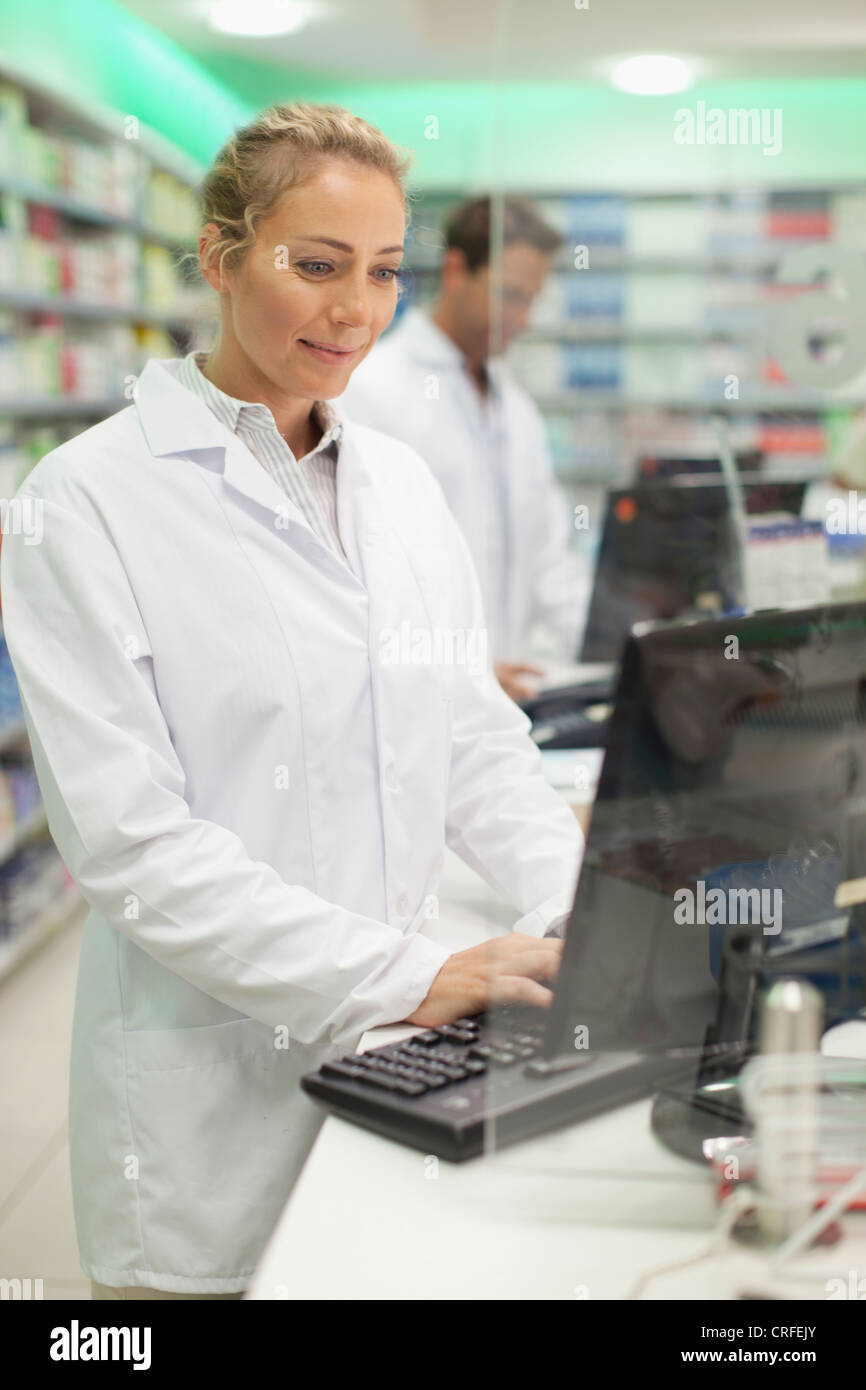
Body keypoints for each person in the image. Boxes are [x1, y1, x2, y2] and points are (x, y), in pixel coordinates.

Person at [0, 102, 582, 1299]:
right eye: (312, 265)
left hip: (413, 1062)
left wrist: (575, 913)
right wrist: (405, 974)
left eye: (380, 273)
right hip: (207, 1103)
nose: (355, 311)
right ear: (218, 256)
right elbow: (132, 848)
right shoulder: (86, 500)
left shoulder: (401, 486)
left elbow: (471, 738)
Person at [340, 195, 592, 702]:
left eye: (530, 301)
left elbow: (550, 564)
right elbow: (359, 581)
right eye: (510, 296)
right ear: (457, 270)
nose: (521, 318)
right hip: (413, 703)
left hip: (510, 705)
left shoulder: (516, 408)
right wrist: (456, 669)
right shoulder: (371, 389)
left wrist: (619, 646)